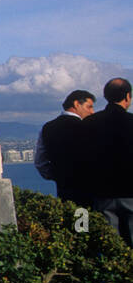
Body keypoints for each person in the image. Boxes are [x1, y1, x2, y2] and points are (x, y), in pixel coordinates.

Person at [82, 78, 133, 247]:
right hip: (130, 192)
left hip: (102, 193)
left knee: (111, 246)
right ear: (127, 96)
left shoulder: (89, 123)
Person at [34, 90, 95, 205]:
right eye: (89, 107)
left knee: (73, 220)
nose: (92, 112)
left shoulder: (47, 128)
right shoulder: (87, 127)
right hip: (89, 190)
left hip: (63, 190)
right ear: (77, 104)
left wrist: (58, 176)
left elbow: (40, 162)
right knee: (87, 220)